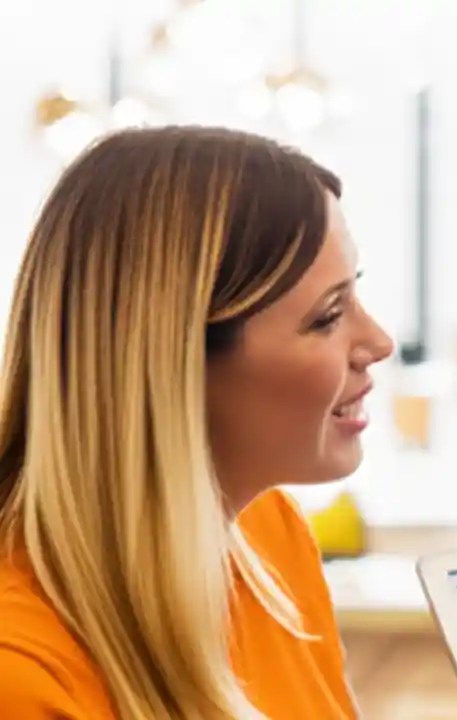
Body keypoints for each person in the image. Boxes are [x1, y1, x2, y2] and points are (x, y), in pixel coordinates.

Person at [0, 127, 394, 718]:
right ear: (173, 363)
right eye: (328, 317)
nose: (380, 343)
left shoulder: (271, 536)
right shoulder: (23, 676)